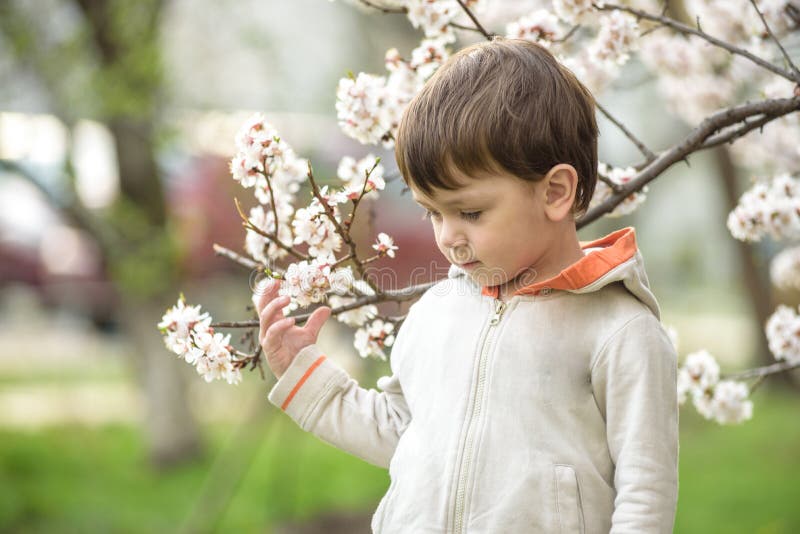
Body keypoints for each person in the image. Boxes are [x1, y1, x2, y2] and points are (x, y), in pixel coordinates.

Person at [254, 37, 678, 533]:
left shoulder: (618, 332)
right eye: (432, 213)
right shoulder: (437, 312)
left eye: (470, 212)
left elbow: (645, 491)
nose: (449, 236)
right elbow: (404, 433)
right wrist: (303, 373)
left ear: (555, 192)